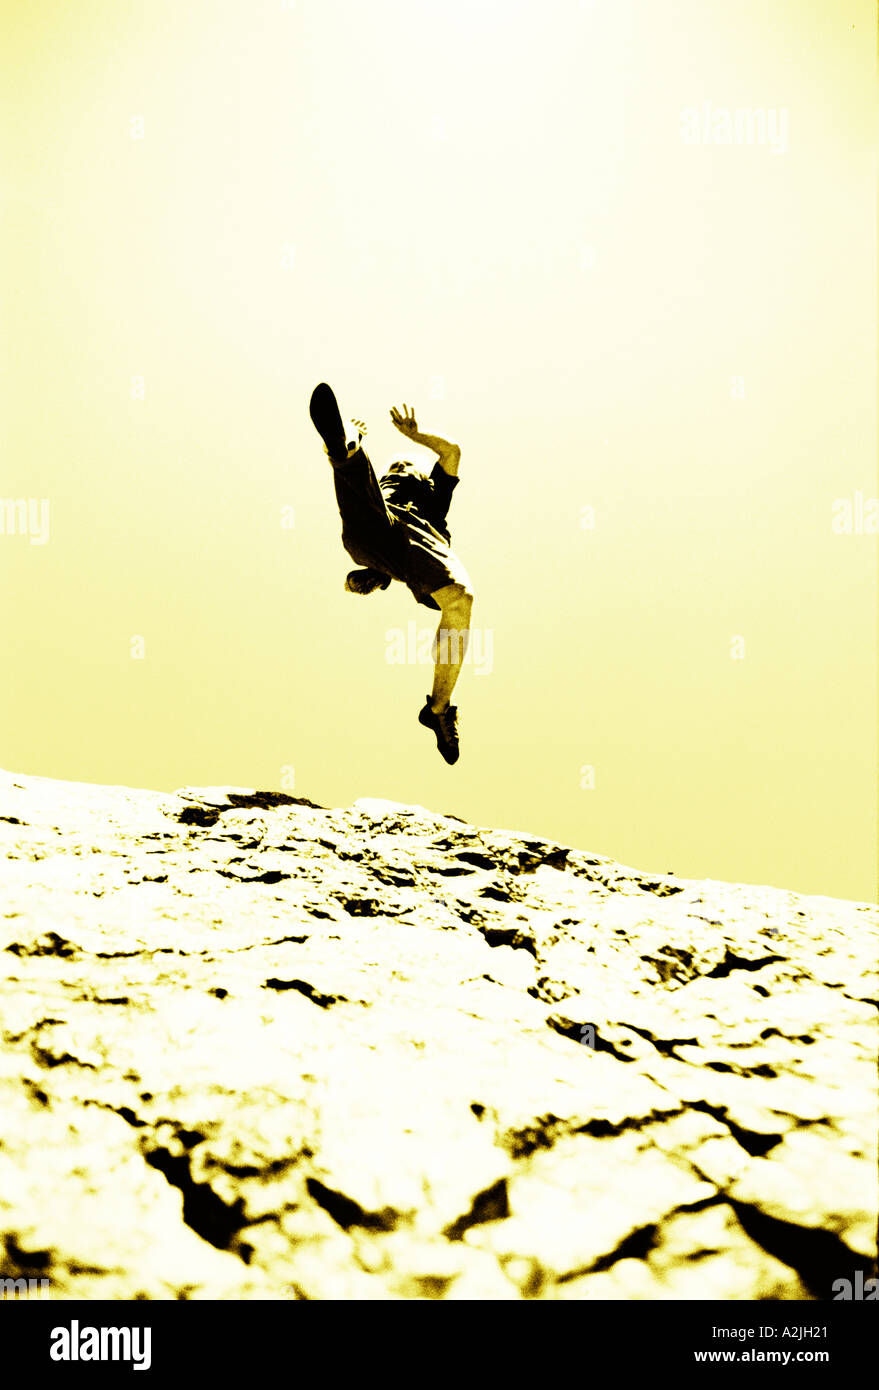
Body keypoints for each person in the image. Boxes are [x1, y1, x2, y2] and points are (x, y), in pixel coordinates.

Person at [309, 382, 473, 763]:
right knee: (351, 464)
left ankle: (439, 710)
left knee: (460, 600)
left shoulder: (436, 494)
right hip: (374, 527)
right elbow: (373, 488)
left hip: (418, 538)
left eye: (405, 465)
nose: (399, 466)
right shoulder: (379, 489)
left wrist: (416, 437)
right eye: (394, 465)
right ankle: (345, 444)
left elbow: (452, 452)